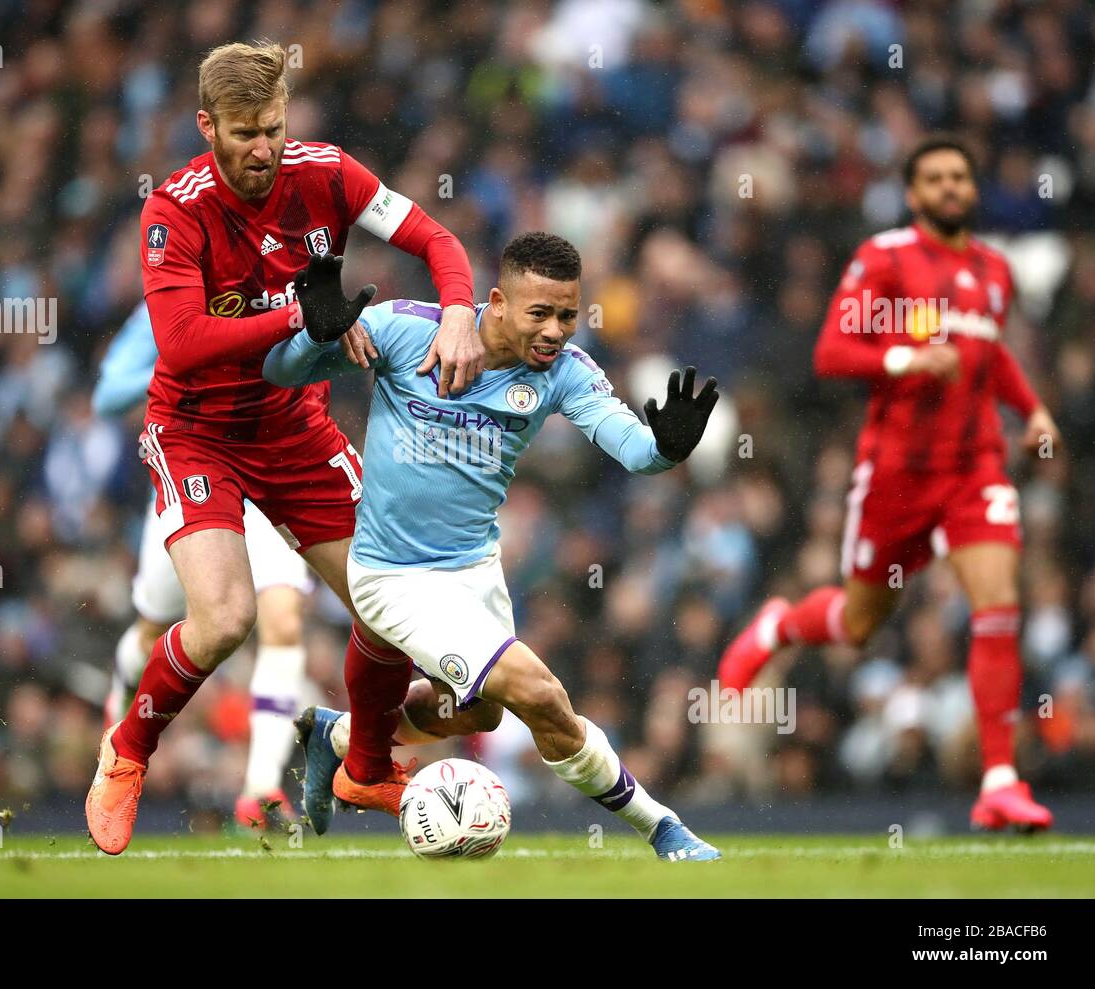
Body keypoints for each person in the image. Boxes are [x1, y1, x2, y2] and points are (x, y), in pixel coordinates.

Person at [86, 40, 484, 855]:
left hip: (296, 433)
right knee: (226, 617)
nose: (262, 148)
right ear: (207, 127)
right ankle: (127, 750)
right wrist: (301, 319)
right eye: (242, 133)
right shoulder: (174, 208)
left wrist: (456, 311)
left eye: (272, 128)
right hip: (198, 433)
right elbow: (187, 342)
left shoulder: (328, 175)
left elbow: (438, 240)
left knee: (392, 606)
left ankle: (360, 760)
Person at [265, 233, 723, 861]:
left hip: (475, 571)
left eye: (567, 314)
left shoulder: (565, 373)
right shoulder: (405, 330)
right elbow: (279, 371)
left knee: (479, 715)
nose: (556, 330)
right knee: (539, 696)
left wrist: (667, 448)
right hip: (392, 577)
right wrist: (315, 335)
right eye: (540, 313)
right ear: (499, 301)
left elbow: (635, 451)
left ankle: (336, 736)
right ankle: (662, 827)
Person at [718, 135, 1059, 831]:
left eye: (960, 176)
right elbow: (831, 351)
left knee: (998, 601)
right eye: (934, 178)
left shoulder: (995, 268)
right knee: (859, 622)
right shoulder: (885, 258)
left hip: (975, 469)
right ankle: (781, 622)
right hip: (897, 474)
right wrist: (903, 356)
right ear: (913, 193)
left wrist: (1034, 410)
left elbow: (990, 360)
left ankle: (998, 779)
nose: (950, 187)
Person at [92, 300, 314, 831]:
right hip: (193, 474)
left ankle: (260, 790)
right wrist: (204, 360)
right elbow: (107, 396)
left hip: (272, 470)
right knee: (156, 628)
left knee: (282, 620)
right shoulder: (169, 304)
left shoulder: (286, 277)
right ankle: (120, 710)